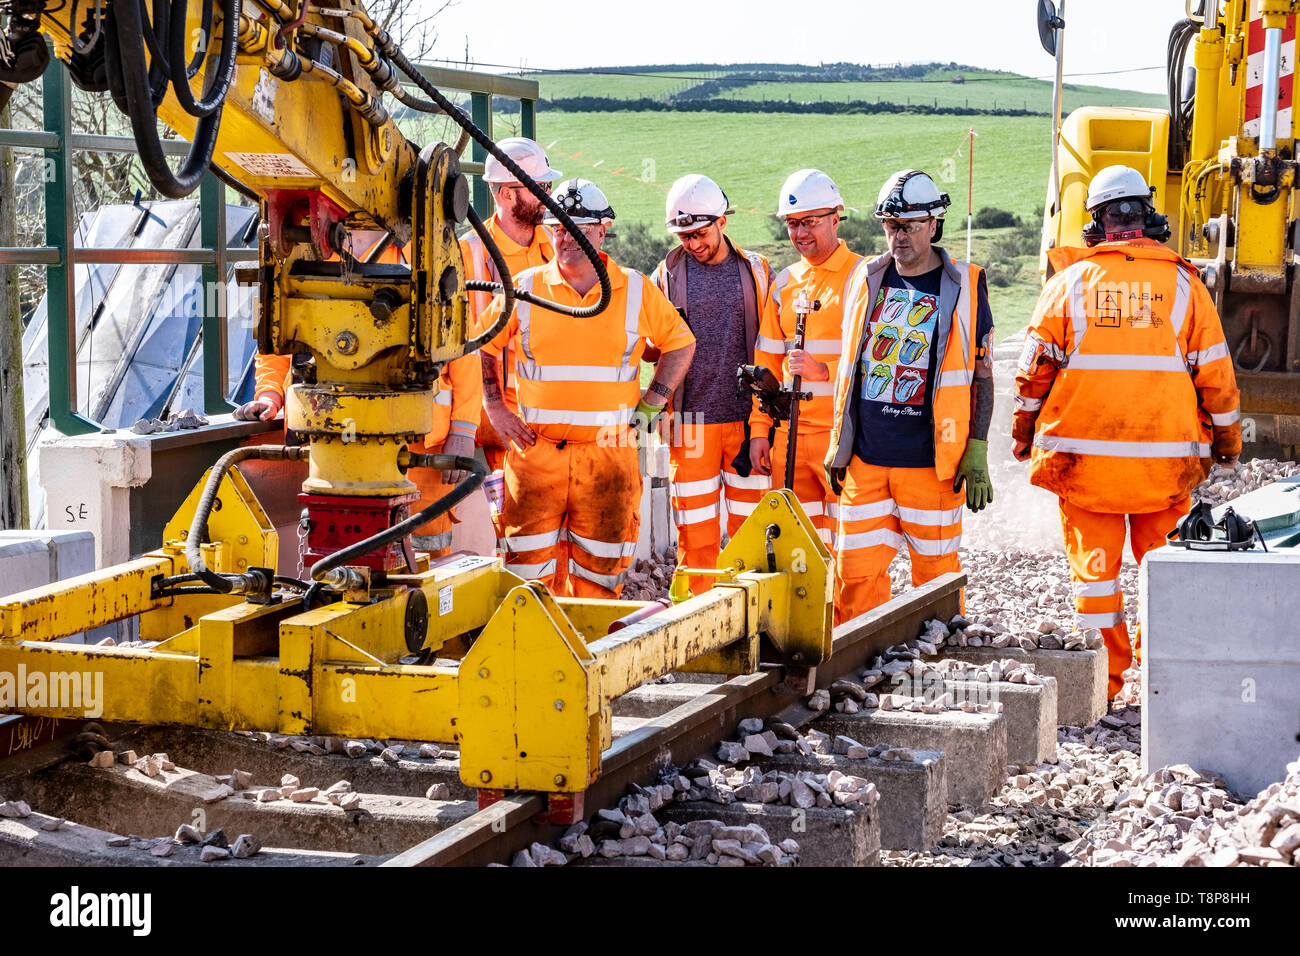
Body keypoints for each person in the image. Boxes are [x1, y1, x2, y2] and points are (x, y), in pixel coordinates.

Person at [1012, 164, 1241, 698]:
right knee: (1168, 573)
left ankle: (1102, 685)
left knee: (1096, 581)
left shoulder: (1067, 285)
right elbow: (1218, 380)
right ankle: (1169, 678)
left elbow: (1029, 378)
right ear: (1147, 214)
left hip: (1083, 470)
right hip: (1164, 470)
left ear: (1095, 222)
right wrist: (1226, 445)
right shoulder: (1185, 286)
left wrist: (1024, 436)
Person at [478, 179, 696, 598]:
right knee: (526, 578)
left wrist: (651, 410)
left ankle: (590, 655)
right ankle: (532, 656)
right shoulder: (524, 287)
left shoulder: (633, 289)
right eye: (558, 228)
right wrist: (495, 406)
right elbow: (485, 342)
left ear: (602, 230)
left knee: (600, 579)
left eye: (578, 228)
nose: (566, 238)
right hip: (535, 455)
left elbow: (681, 344)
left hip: (608, 457)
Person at [234, 235, 480, 558]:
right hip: (332, 446)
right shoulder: (306, 254)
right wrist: (269, 396)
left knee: (423, 555)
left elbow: (463, 347)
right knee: (339, 556)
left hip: (416, 448)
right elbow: (279, 337)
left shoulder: (424, 248)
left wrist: (463, 430)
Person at [825, 170, 995, 625]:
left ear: (934, 224)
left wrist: (977, 449)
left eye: (909, 226)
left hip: (931, 464)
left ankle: (939, 670)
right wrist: (838, 443)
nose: (898, 237)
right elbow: (850, 369)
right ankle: (860, 671)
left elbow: (982, 375)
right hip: (867, 459)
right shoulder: (865, 279)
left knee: (936, 577)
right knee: (853, 576)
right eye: (891, 226)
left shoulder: (967, 286)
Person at [651, 174, 773, 595]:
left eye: (700, 233)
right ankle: (695, 624)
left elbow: (772, 346)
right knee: (695, 537)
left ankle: (748, 622)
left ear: (722, 221)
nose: (693, 243)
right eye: (684, 236)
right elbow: (652, 347)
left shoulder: (757, 270)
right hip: (690, 425)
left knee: (750, 535)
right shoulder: (665, 275)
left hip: (747, 425)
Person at [749, 169, 862, 551]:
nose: (800, 233)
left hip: (845, 438)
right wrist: (760, 431)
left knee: (849, 546)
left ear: (835, 218)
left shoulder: (863, 277)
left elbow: (880, 360)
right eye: (793, 224)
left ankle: (849, 614)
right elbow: (765, 362)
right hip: (789, 438)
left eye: (809, 222)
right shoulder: (784, 283)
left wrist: (823, 371)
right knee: (796, 546)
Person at [464, 137, 560, 473]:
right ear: (507, 194)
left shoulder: (554, 244)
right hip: (506, 419)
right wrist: (494, 408)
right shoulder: (471, 252)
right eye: (540, 186)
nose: (548, 195)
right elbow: (465, 344)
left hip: (555, 409)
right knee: (517, 518)